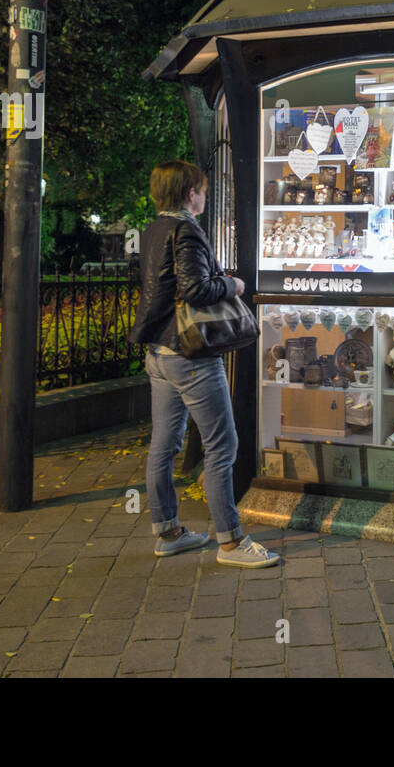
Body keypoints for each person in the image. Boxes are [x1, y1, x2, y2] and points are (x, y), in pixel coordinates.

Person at [127, 160, 279, 568]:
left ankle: (169, 532)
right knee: (222, 444)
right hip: (190, 356)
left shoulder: (154, 228)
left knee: (164, 444)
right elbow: (194, 289)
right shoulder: (186, 231)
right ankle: (230, 543)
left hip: (159, 353)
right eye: (202, 190)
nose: (205, 195)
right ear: (189, 192)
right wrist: (234, 284)